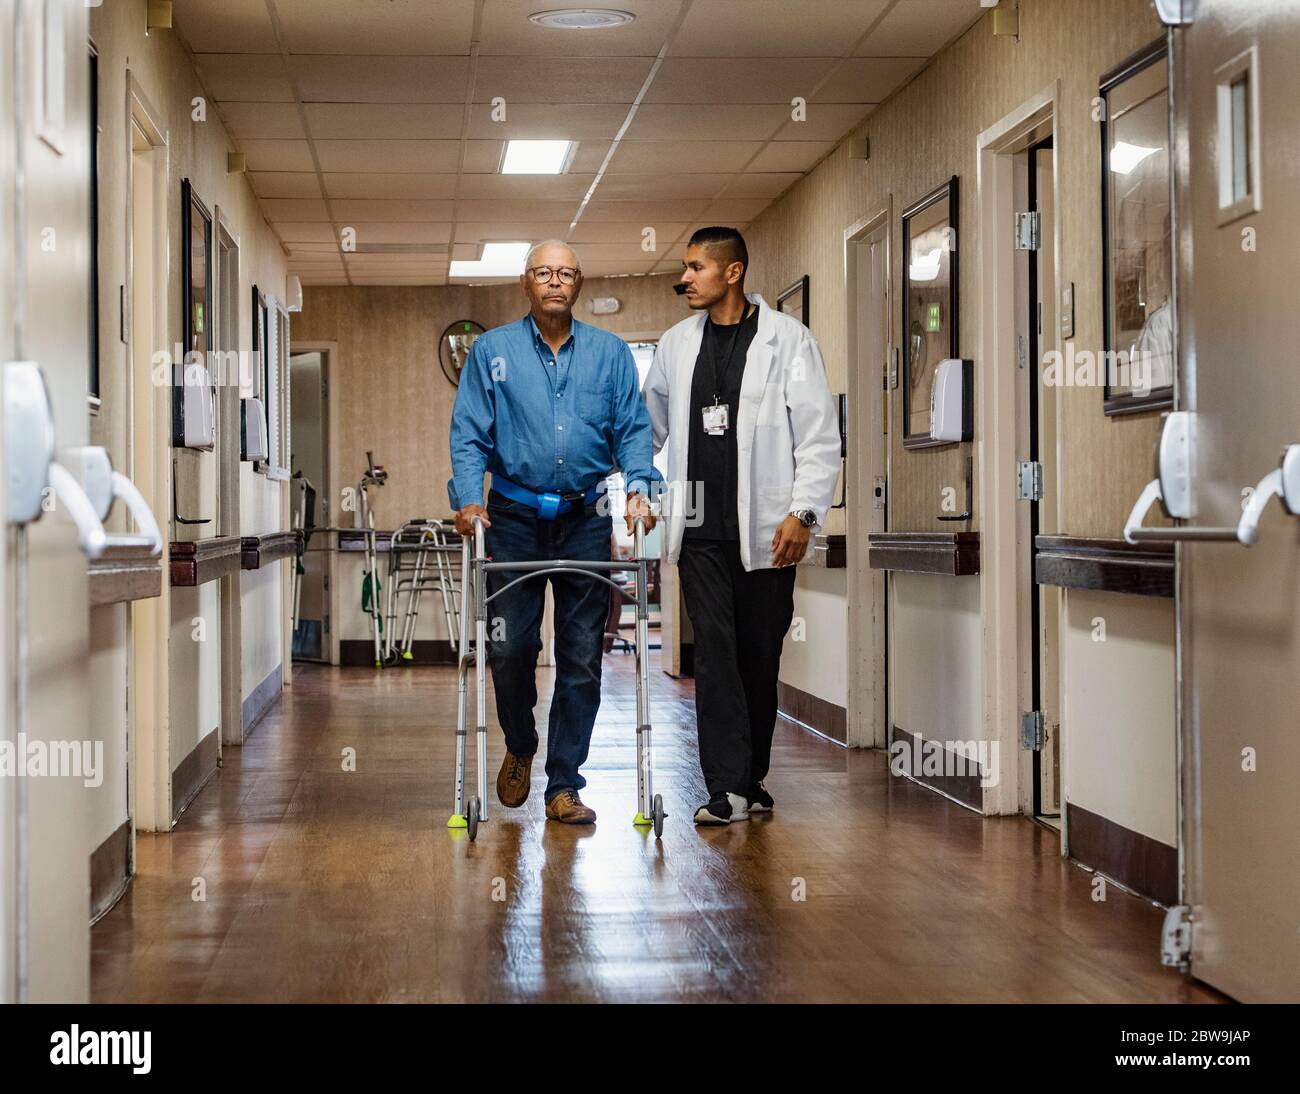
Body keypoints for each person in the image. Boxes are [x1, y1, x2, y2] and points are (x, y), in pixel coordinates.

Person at [447, 240, 656, 824]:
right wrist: (468, 501)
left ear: (580, 282)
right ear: (526, 283)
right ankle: (520, 743)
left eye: (565, 272)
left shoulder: (611, 355)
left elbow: (633, 431)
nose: (555, 281)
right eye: (544, 272)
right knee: (509, 645)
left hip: (585, 518)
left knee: (583, 654)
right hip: (509, 520)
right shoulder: (492, 351)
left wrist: (640, 487)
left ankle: (564, 783)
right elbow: (469, 435)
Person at [642, 227, 840, 826]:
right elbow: (647, 430)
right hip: (698, 531)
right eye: (685, 267)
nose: (686, 278)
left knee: (760, 653)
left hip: (769, 532)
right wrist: (636, 489)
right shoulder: (676, 346)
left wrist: (804, 514)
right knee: (716, 653)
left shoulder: (788, 341)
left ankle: (751, 779)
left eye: (697, 267)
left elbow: (819, 436)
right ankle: (724, 785)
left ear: (733, 272)